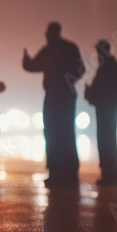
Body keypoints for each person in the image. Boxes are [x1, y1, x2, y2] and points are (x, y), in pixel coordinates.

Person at [23, 22, 85, 187]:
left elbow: (32, 66)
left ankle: (60, 171)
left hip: (59, 97)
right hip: (61, 96)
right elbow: (80, 69)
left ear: (53, 33)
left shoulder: (53, 49)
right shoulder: (66, 48)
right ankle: (64, 172)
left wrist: (26, 60)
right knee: (62, 133)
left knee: (55, 133)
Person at [84, 40, 117, 186]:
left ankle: (109, 173)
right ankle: (109, 172)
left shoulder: (108, 69)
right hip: (107, 109)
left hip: (106, 109)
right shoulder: (112, 67)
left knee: (106, 141)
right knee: (108, 140)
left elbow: (112, 90)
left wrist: (92, 93)